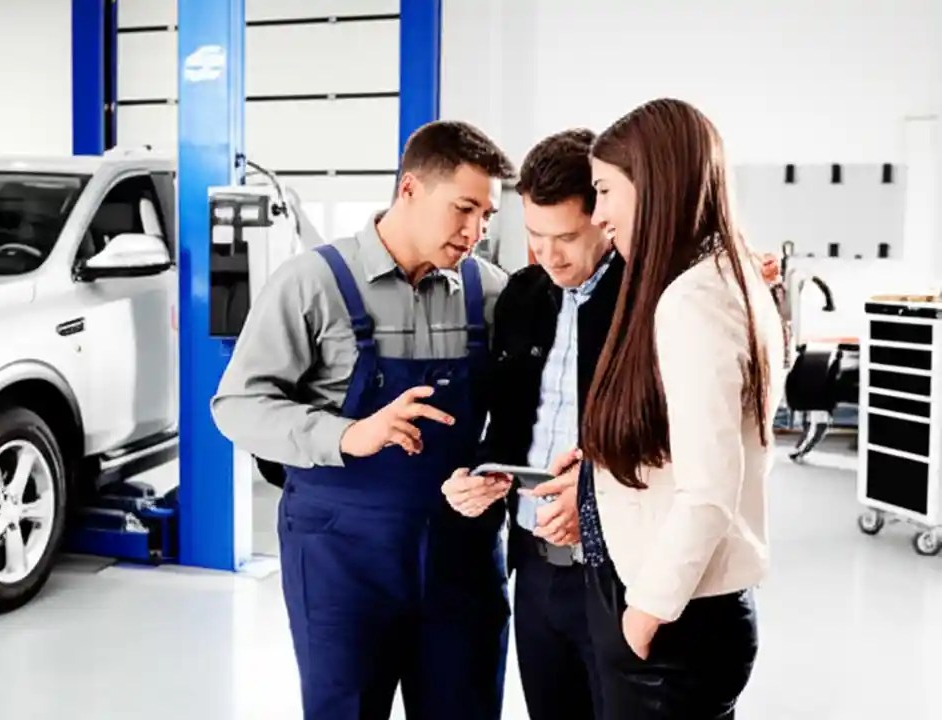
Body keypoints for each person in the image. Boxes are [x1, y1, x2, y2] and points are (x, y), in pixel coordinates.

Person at [210, 120, 516, 720]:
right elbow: (237, 406)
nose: (475, 231)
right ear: (409, 190)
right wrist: (349, 434)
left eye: (487, 215)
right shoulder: (312, 284)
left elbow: (520, 413)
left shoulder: (491, 293)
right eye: (463, 208)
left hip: (463, 558)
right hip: (340, 559)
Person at [578, 97, 787, 718]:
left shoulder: (690, 301)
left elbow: (711, 488)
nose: (598, 215)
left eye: (605, 190)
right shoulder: (731, 281)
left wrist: (642, 615)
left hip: (674, 623)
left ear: (654, 181)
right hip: (693, 613)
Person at [442, 127, 621, 719]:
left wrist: (594, 495)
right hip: (536, 568)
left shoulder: (648, 302)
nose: (549, 256)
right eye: (534, 236)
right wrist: (482, 478)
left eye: (566, 237)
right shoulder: (520, 296)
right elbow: (510, 421)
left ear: (606, 215)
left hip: (620, 574)